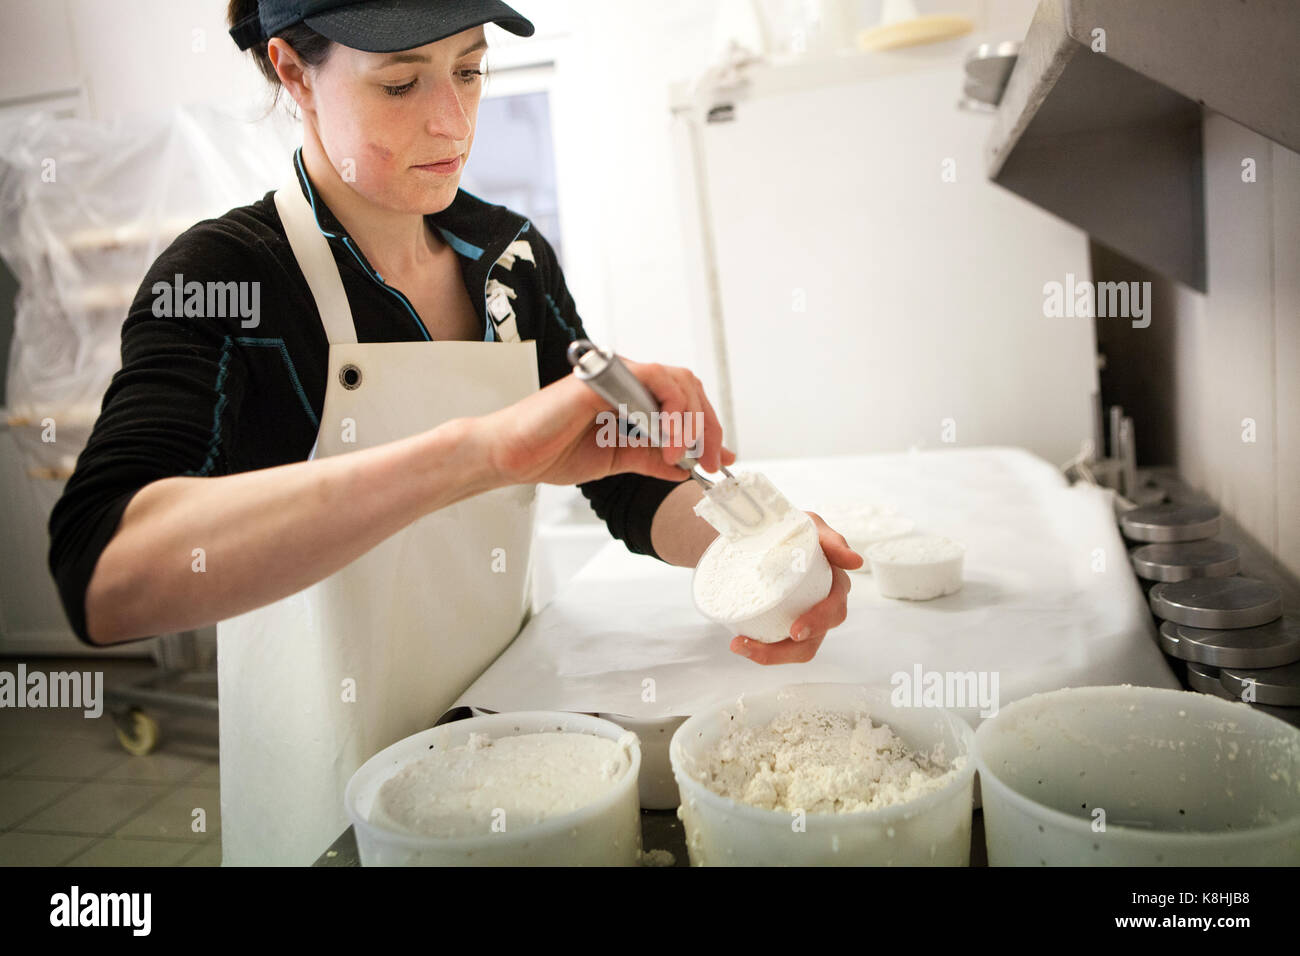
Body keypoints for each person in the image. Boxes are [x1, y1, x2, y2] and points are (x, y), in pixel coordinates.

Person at [46, 0, 861, 865]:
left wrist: (756, 551)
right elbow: (104, 573)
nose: (453, 120)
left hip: (506, 747)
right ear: (293, 71)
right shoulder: (231, 279)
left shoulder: (509, 259)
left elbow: (622, 481)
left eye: (469, 69)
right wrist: (476, 454)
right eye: (400, 83)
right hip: (329, 799)